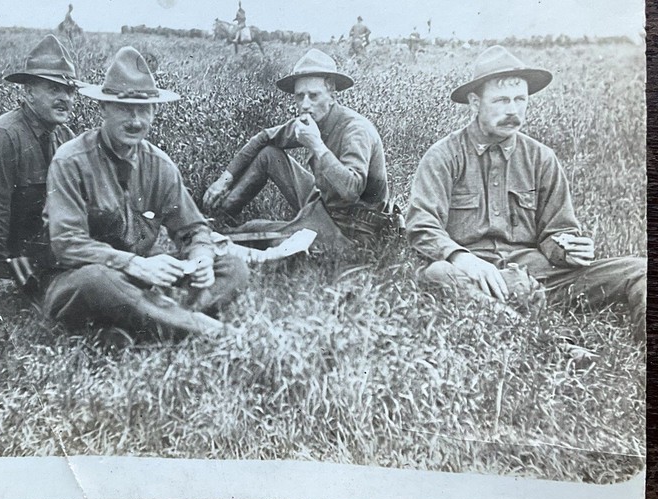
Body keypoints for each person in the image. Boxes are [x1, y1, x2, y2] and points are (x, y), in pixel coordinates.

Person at [406, 44, 646, 341]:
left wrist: (568, 249)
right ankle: (538, 338)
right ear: (474, 102)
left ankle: (646, 352)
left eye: (520, 99)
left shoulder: (541, 158)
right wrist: (461, 258)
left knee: (642, 269)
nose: (513, 110)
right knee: (437, 274)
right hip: (475, 276)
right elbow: (422, 225)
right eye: (501, 100)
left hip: (541, 278)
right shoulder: (444, 156)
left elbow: (557, 231)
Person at [43, 46, 249, 339]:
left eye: (144, 109)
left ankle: (147, 322)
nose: (136, 120)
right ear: (103, 109)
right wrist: (134, 264)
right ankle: (204, 329)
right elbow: (67, 244)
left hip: (142, 280)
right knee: (97, 280)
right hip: (77, 278)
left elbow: (192, 228)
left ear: (154, 112)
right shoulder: (70, 161)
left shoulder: (159, 165)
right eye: (124, 109)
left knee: (233, 267)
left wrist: (201, 256)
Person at [202, 48, 395, 256]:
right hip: (325, 203)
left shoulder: (355, 130)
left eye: (313, 96)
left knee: (255, 231)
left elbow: (351, 191)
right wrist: (225, 179)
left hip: (354, 229)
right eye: (299, 96)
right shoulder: (314, 120)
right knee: (269, 155)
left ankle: (216, 238)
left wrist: (316, 145)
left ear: (332, 94)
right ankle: (218, 216)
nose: (305, 104)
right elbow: (264, 137)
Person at [0, 34, 82, 288]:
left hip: (50, 256)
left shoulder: (65, 137)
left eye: (69, 90)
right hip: (14, 263)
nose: (65, 98)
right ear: (29, 92)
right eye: (54, 89)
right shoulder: (4, 137)